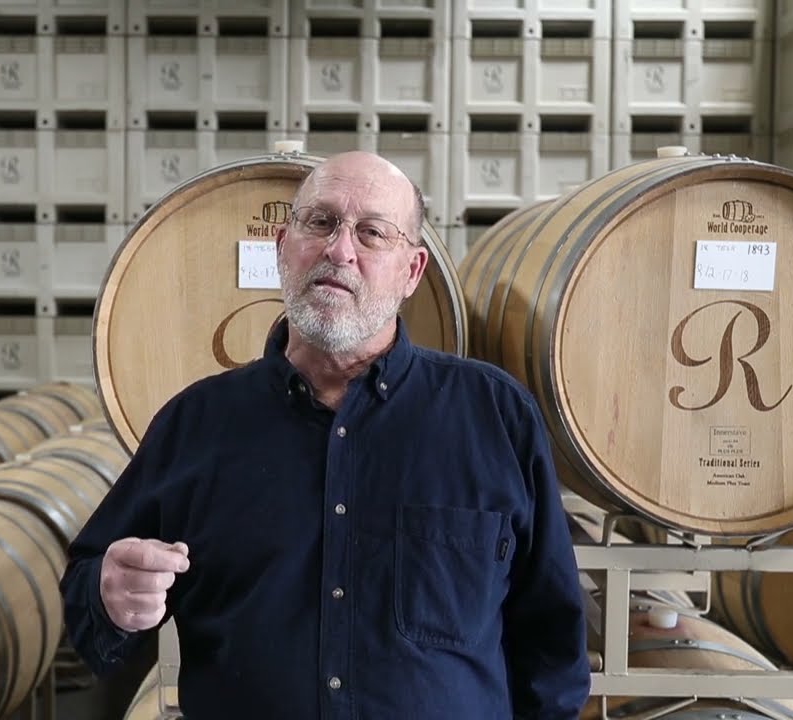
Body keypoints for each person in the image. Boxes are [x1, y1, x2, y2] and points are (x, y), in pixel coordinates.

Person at [60, 150, 590, 719]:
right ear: (282, 248)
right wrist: (110, 596)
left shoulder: (495, 417)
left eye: (372, 233)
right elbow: (90, 598)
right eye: (321, 222)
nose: (340, 250)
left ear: (412, 272)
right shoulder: (196, 423)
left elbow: (552, 647)